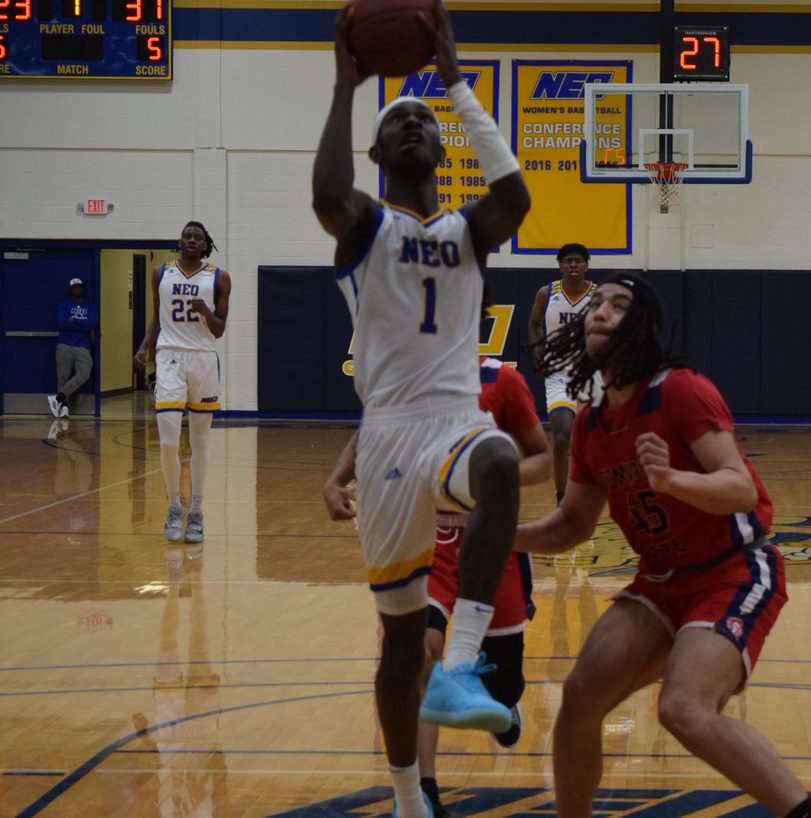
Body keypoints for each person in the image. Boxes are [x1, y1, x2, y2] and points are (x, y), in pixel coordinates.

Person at [313, 0, 531, 815]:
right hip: (388, 440)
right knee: (398, 640)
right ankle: (407, 794)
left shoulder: (472, 231)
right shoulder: (364, 226)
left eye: (422, 121)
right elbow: (328, 190)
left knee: (503, 459)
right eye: (397, 122)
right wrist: (345, 88)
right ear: (378, 151)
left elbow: (514, 193)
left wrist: (455, 86)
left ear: (442, 146)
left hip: (453, 424)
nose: (412, 126)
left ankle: (464, 665)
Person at [517, 273, 811, 818]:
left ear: (643, 327)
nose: (601, 311)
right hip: (661, 584)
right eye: (597, 304)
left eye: (618, 304)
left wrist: (674, 481)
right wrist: (499, 538)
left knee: (683, 708)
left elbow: (740, 488)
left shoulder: (680, 389)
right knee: (580, 697)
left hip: (733, 569)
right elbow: (572, 525)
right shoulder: (590, 423)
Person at [417, 352, 552, 817]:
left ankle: (506, 707)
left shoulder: (502, 380)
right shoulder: (410, 373)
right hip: (429, 540)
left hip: (491, 535)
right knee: (420, 654)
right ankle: (424, 793)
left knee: (504, 686)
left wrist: (494, 478)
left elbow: (544, 460)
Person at [134, 221, 231, 545]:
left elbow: (219, 330)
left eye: (197, 237)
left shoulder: (219, 277)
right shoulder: (161, 273)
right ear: (180, 241)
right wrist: (144, 346)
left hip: (203, 359)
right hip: (170, 357)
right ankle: (174, 505)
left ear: (205, 245)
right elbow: (157, 318)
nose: (191, 240)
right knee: (168, 440)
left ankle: (198, 511)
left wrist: (206, 312)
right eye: (186, 235)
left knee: (200, 441)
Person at [527, 243, 601, 504]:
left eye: (578, 261)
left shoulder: (598, 296)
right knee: (560, 436)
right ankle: (562, 498)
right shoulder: (546, 294)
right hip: (559, 372)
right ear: (560, 265)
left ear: (586, 265)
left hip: (592, 372)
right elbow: (534, 324)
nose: (573, 265)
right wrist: (539, 354)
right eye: (567, 261)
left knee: (599, 437)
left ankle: (595, 489)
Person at [48, 277, 98, 418]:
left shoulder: (90, 306)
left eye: (79, 287)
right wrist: (83, 323)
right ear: (71, 290)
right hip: (64, 345)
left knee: (84, 374)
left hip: (82, 346)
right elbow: (62, 322)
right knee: (62, 378)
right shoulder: (63, 305)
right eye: (74, 287)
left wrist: (73, 319)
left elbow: (93, 322)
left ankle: (58, 398)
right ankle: (64, 407)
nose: (77, 289)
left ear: (82, 289)